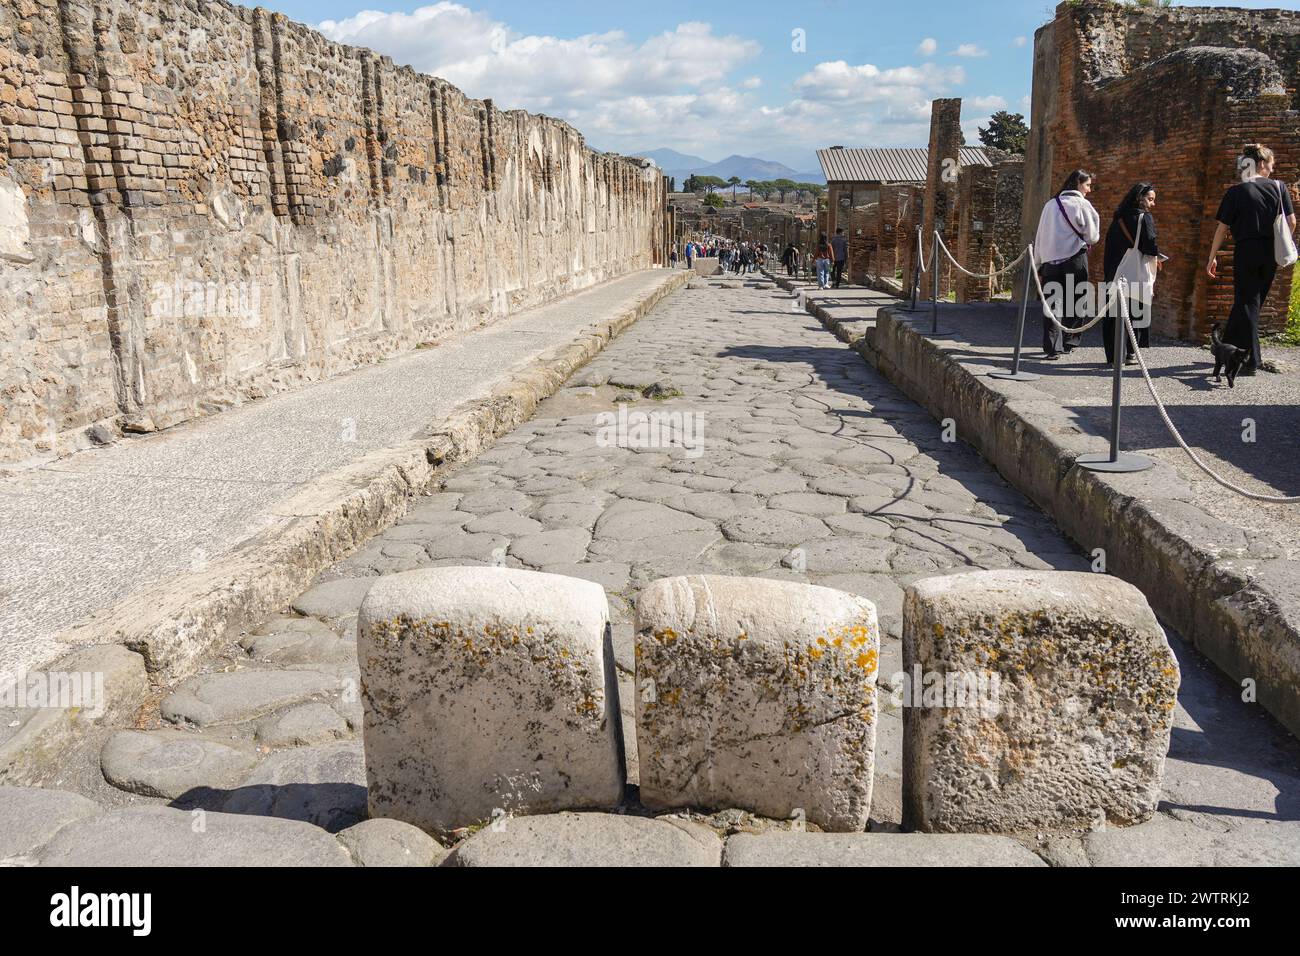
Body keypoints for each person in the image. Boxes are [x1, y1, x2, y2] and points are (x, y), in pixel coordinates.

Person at [1207, 143, 1296, 377]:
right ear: (1262, 164)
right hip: (1270, 252)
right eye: (1271, 166)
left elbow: (1222, 228)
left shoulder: (1236, 191)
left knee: (1247, 303)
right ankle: (1229, 349)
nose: (1272, 171)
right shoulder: (1279, 187)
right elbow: (1292, 222)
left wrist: (1212, 256)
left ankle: (1251, 360)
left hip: (1246, 249)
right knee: (1251, 302)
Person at [1033, 169, 1100, 360]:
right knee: (1077, 301)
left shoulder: (1050, 205)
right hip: (1075, 260)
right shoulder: (1082, 205)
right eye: (1087, 185)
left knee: (1052, 305)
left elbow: (1040, 237)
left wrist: (1038, 264)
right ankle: (1070, 341)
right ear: (1078, 184)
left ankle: (1053, 347)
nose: (1088, 190)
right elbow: (1093, 236)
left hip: (1050, 262)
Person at [1102, 182, 1161, 365]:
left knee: (1114, 314)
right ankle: (1130, 353)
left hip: (1115, 271)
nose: (1153, 204)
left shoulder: (1118, 217)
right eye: (1150, 199)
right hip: (1135, 273)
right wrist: (1157, 256)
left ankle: (1113, 356)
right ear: (1140, 198)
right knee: (1135, 312)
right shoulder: (1145, 218)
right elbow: (1150, 245)